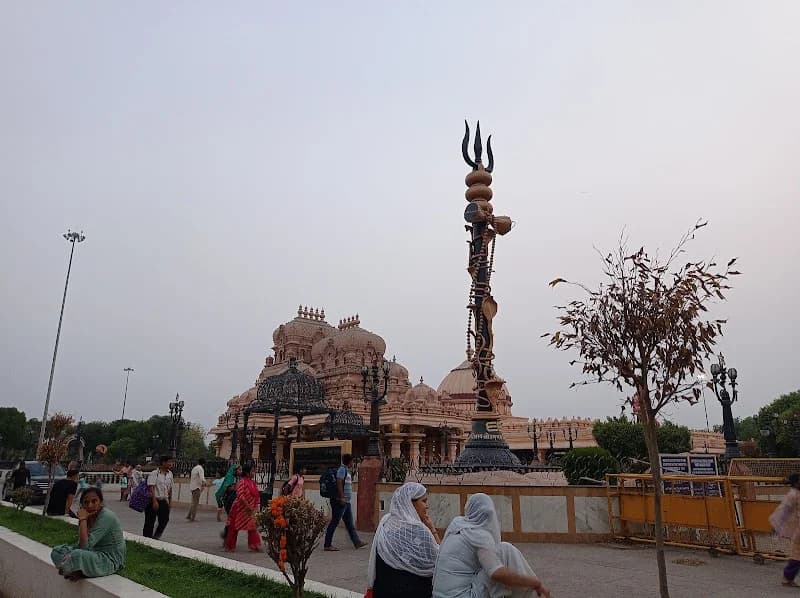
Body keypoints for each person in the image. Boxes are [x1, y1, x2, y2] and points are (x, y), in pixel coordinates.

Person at [432, 493, 550, 598]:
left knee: (495, 557)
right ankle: (533, 593)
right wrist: (534, 582)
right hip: (463, 595)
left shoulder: (457, 525)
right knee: (504, 551)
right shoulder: (478, 535)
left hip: (438, 594)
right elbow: (497, 573)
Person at [367, 482, 439, 598]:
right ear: (410, 504)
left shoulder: (386, 522)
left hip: (382, 591)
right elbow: (439, 560)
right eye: (424, 501)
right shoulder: (418, 531)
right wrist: (432, 529)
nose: (427, 506)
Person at [50, 487, 126, 581]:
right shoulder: (88, 516)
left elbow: (85, 546)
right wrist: (84, 520)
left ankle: (71, 569)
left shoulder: (106, 516)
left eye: (94, 501)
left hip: (109, 560)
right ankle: (73, 569)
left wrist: (82, 519)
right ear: (82, 505)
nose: (90, 505)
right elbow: (81, 543)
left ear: (101, 502)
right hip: (93, 552)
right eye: (86, 502)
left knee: (77, 554)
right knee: (57, 551)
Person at [324, 454, 367, 551]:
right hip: (340, 502)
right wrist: (342, 497)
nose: (353, 463)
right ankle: (327, 544)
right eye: (352, 461)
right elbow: (339, 482)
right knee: (334, 522)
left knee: (350, 524)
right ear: (349, 461)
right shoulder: (342, 470)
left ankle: (357, 542)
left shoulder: (346, 470)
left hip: (346, 502)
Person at [770, 473, 800, 587]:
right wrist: (776, 525)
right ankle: (788, 578)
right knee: (797, 555)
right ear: (796, 483)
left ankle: (788, 578)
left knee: (797, 555)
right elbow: (783, 512)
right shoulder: (793, 495)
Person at [224, 463, 262, 552]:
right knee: (234, 527)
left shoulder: (252, 482)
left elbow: (256, 496)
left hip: (249, 510)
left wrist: (254, 507)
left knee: (252, 527)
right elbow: (240, 495)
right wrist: (247, 505)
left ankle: (254, 545)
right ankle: (230, 546)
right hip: (239, 509)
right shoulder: (242, 482)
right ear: (247, 473)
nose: (254, 472)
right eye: (252, 471)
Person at [143, 455, 174, 539]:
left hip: (163, 500)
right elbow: (151, 487)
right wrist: (154, 501)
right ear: (163, 463)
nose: (171, 464)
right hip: (153, 500)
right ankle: (146, 539)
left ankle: (156, 536)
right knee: (150, 521)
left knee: (164, 519)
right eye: (169, 462)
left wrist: (170, 502)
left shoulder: (170, 474)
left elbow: (170, 488)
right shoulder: (154, 473)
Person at [216, 463, 241, 538]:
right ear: (235, 470)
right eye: (239, 470)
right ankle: (227, 535)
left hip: (232, 500)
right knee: (232, 518)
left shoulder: (235, 477)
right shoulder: (230, 477)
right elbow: (227, 488)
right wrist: (236, 488)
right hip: (228, 500)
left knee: (232, 518)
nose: (240, 471)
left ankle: (227, 534)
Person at [187, 458, 206, 522]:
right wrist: (204, 484)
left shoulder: (194, 468)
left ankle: (189, 515)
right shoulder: (200, 469)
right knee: (195, 503)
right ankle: (193, 517)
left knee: (193, 502)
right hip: (197, 487)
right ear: (203, 464)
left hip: (192, 487)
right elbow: (202, 478)